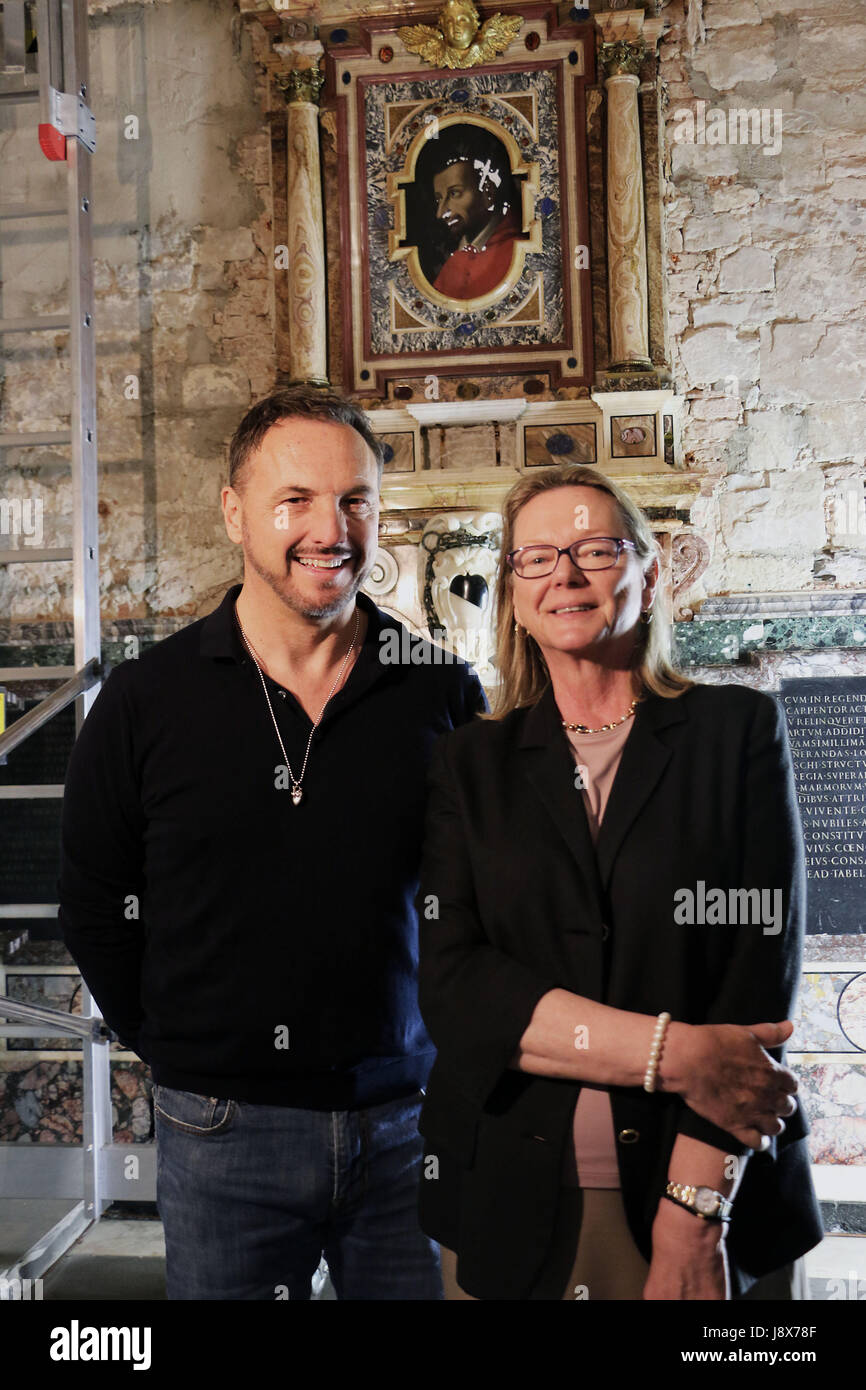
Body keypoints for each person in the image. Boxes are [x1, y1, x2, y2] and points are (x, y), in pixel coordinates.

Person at [58, 385, 486, 1300]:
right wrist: (186, 1049)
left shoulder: (440, 692)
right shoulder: (144, 702)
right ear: (234, 513)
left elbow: (484, 903)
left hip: (409, 1126)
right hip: (222, 1132)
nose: (330, 530)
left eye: (355, 500)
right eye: (294, 500)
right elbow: (97, 905)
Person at [415, 464, 824, 1300]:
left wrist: (694, 1210)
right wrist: (675, 1055)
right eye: (534, 558)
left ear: (650, 571)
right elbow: (459, 989)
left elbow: (758, 980)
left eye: (595, 549)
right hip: (508, 1192)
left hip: (712, 1189)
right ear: (513, 593)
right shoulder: (471, 762)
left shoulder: (736, 733)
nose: (564, 575)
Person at [428, 141, 521, 299]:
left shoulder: (516, 253)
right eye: (439, 199)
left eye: (454, 194)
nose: (441, 213)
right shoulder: (455, 261)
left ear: (488, 193)